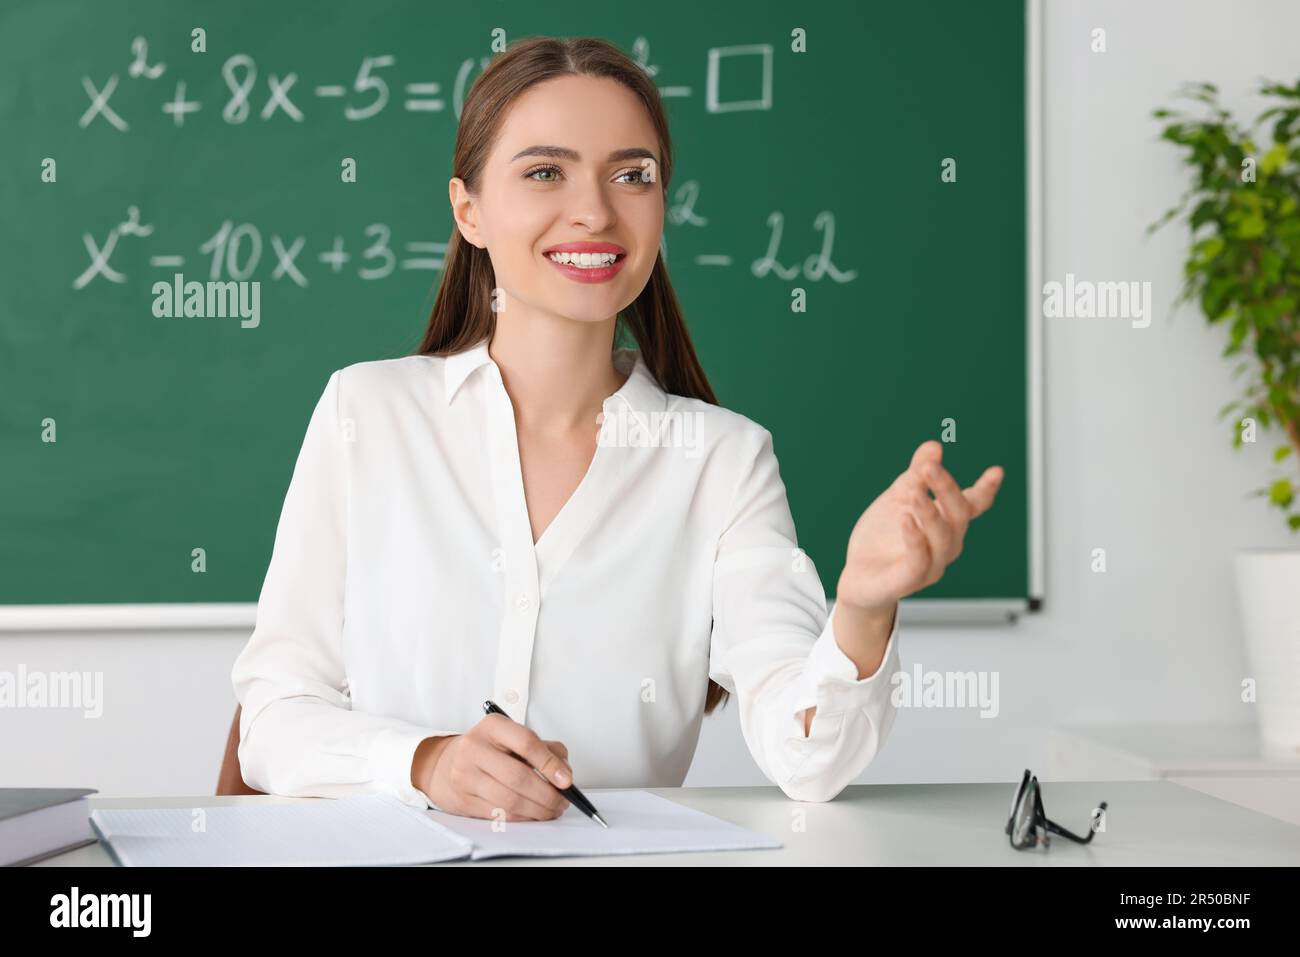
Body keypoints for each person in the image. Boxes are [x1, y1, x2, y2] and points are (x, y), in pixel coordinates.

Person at [231, 36, 1003, 822]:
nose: (596, 211)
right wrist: (427, 762)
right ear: (469, 211)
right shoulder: (367, 414)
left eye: (632, 176)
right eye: (545, 172)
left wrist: (863, 607)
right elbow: (271, 718)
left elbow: (809, 759)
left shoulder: (724, 462)